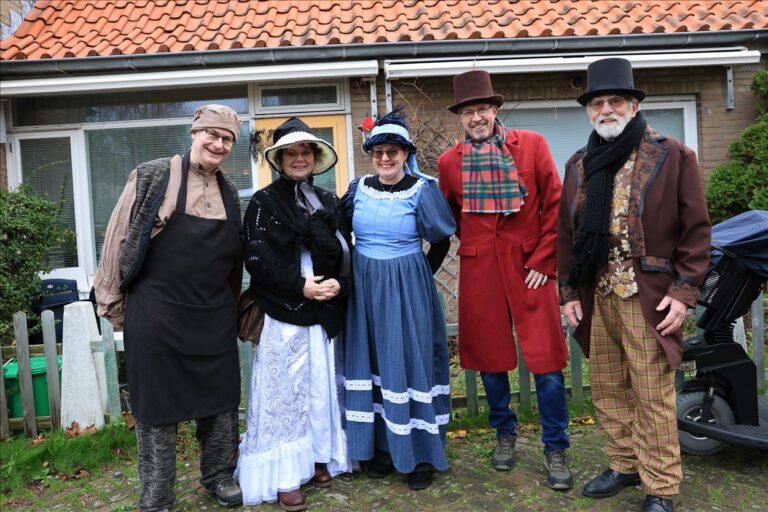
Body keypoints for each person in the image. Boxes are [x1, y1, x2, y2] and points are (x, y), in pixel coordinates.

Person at [557, 58, 711, 512]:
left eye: (615, 101)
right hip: (597, 292)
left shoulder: (672, 155)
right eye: (597, 103)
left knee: (651, 393)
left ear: (634, 105)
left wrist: (683, 294)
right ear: (589, 110)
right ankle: (623, 464)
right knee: (608, 388)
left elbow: (696, 232)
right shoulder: (579, 164)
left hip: (648, 296)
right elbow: (566, 236)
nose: (606, 109)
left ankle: (660, 485)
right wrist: (569, 292)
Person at [93, 104, 244, 511]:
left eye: (227, 139)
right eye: (212, 134)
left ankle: (219, 476)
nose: (218, 144)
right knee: (157, 412)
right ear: (194, 133)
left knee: (221, 404)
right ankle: (157, 495)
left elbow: (234, 260)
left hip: (213, 317)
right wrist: (112, 302)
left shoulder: (230, 192)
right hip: (157, 315)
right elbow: (117, 240)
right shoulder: (153, 175)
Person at [437, 70, 573, 490]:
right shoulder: (448, 162)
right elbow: (450, 216)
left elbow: (556, 205)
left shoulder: (531, 145)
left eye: (482, 109)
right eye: (468, 112)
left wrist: (544, 260)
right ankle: (504, 433)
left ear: (495, 110)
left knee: (547, 362)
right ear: (460, 117)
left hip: (531, 268)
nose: (476, 117)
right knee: (490, 361)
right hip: (480, 271)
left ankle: (556, 445)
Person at [236, 117, 351, 511]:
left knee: (320, 384)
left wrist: (337, 283)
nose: (300, 158)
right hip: (284, 307)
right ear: (279, 159)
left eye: (306, 152)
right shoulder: (264, 203)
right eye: (291, 153)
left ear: (315, 157)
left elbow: (344, 250)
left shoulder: (329, 200)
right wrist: (301, 286)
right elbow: (257, 258)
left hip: (323, 307)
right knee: (285, 392)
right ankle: (285, 473)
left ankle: (317, 456)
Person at [342, 107, 456, 491]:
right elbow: (337, 232)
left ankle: (419, 453)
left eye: (392, 151)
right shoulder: (357, 189)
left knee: (408, 360)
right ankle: (383, 449)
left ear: (406, 153)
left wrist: (418, 274)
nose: (385, 158)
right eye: (378, 152)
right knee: (372, 359)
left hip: (407, 287)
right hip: (364, 288)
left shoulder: (422, 190)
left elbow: (441, 240)